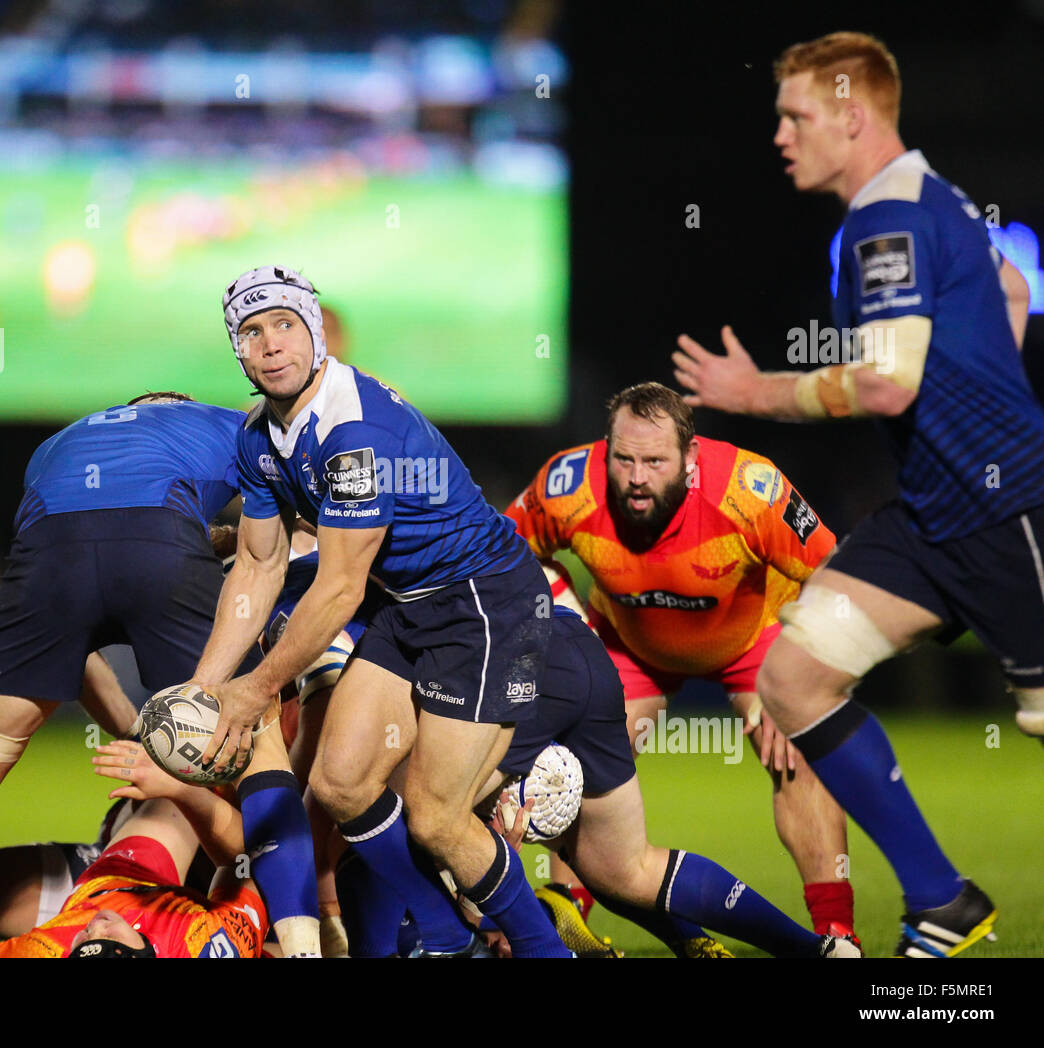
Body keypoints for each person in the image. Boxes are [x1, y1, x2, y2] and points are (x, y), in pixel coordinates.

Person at [672, 31, 1038, 957]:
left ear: (851, 114)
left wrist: (752, 395)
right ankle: (942, 900)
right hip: (931, 517)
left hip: (1009, 516)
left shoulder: (885, 219)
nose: (782, 136)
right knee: (794, 680)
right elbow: (1006, 286)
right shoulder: (918, 198)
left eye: (796, 117)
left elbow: (886, 386)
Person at [0, 391, 319, 958]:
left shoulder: (58, 445)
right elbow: (298, 516)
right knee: (258, 744)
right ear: (178, 405)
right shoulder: (224, 424)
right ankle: (305, 945)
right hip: (160, 538)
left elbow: (76, 641)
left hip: (54, 549)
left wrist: (129, 728)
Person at [189, 264, 569, 957]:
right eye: (251, 332)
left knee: (436, 818)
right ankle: (446, 933)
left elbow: (337, 590)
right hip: (410, 606)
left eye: (284, 325)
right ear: (236, 350)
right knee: (340, 784)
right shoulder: (257, 438)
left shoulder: (352, 431)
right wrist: (205, 686)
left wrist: (253, 691)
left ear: (313, 334)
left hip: (486, 604)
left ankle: (547, 951)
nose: (271, 344)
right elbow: (259, 566)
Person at [259, 550, 861, 959]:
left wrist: (313, 908)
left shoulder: (307, 590)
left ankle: (494, 930)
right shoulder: (436, 524)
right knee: (624, 869)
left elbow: (322, 793)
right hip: (579, 658)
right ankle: (817, 950)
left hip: (506, 671)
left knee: (392, 815)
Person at [506, 382, 854, 944]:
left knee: (797, 755)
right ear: (606, 448)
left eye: (654, 461)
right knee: (570, 765)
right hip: (628, 642)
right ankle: (567, 910)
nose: (637, 476)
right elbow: (508, 551)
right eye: (624, 458)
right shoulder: (566, 485)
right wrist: (568, 620)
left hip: (753, 639)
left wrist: (802, 676)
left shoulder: (750, 489)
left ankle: (838, 935)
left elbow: (836, 574)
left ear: (690, 458)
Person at [0, 765, 268, 959]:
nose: (96, 928)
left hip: (106, 886)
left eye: (87, 944)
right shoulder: (207, 944)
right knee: (201, 785)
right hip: (155, 893)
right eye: (113, 945)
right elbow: (246, 863)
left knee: (176, 785)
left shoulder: (48, 948)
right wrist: (186, 790)